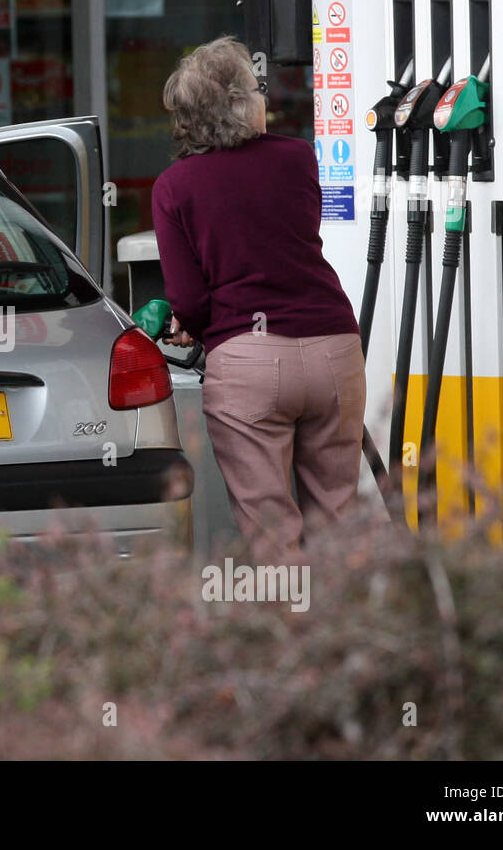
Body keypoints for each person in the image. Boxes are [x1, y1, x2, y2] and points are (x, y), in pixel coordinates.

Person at [151, 36, 366, 560]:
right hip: (334, 349)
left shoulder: (174, 187)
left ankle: (287, 634)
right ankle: (344, 635)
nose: (265, 98)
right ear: (239, 102)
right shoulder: (297, 158)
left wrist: (193, 324)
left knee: (270, 533)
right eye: (257, 88)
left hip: (248, 360)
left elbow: (188, 297)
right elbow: (288, 243)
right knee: (336, 521)